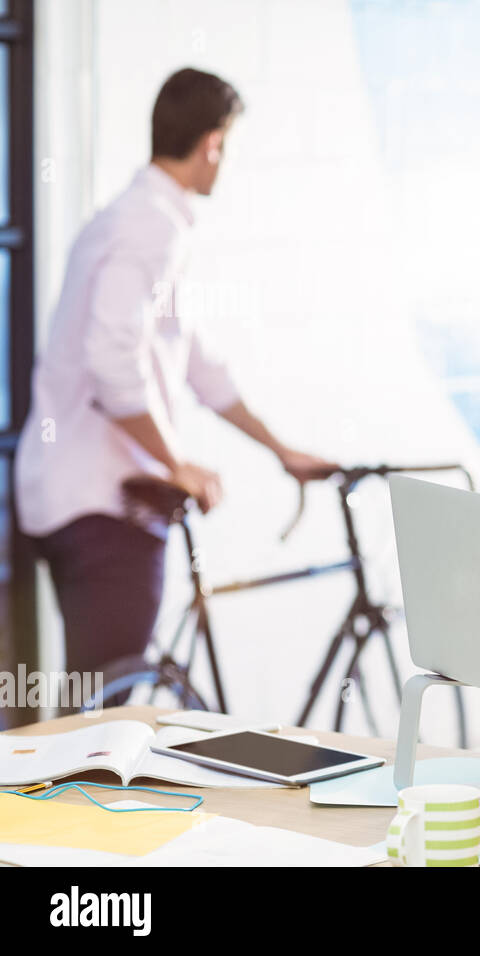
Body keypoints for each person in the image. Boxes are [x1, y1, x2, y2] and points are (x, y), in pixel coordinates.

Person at [15, 67, 337, 694]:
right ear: (212, 142)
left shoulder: (136, 219)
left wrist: (280, 450)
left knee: (93, 698)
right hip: (105, 505)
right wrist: (178, 465)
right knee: (101, 718)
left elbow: (197, 364)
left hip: (70, 496)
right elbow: (112, 363)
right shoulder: (149, 226)